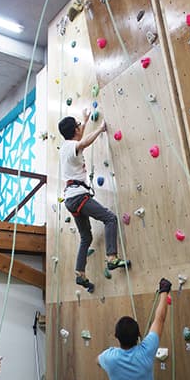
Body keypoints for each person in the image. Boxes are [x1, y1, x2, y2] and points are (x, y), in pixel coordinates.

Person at [59, 108, 130, 294]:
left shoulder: (66, 146)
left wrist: (84, 118)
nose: (79, 128)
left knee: (86, 237)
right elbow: (84, 142)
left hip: (71, 199)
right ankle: (112, 258)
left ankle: (80, 273)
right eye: (77, 126)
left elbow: (80, 137)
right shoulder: (70, 147)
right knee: (110, 218)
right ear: (74, 130)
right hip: (78, 196)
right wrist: (100, 129)